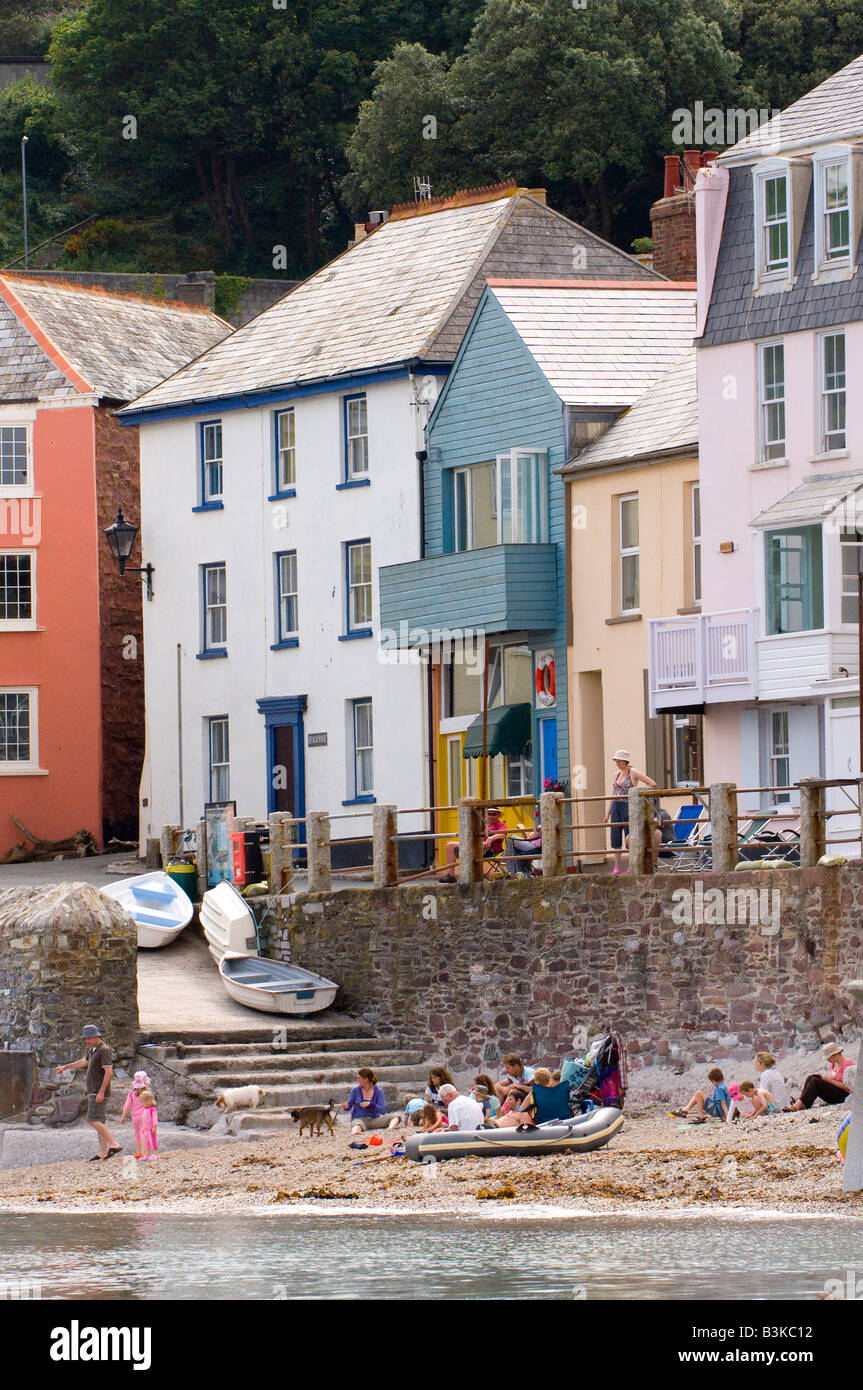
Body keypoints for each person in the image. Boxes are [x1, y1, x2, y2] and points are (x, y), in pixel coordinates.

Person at [56, 1024, 122, 1161]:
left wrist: (101, 1092)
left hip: (97, 1090)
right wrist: (66, 1067)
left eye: (89, 1038)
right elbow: (83, 1062)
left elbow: (108, 1072)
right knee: (99, 1121)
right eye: (85, 1039)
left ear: (96, 1036)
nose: (86, 1041)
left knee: (92, 1120)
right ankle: (102, 1152)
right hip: (93, 1089)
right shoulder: (93, 1049)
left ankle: (114, 1144)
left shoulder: (104, 1050)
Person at [604, 749, 656, 874]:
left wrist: (638, 795)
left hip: (628, 806)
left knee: (629, 835)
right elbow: (613, 793)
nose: (616, 762)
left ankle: (630, 864)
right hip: (616, 806)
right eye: (616, 760)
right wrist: (608, 812)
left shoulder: (633, 772)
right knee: (615, 835)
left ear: (624, 761)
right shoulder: (616, 774)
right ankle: (616, 866)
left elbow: (652, 783)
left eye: (618, 760)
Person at [440, 807, 508, 882]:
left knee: (451, 845)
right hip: (477, 845)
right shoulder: (482, 825)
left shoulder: (500, 825)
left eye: (494, 814)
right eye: (489, 814)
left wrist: (491, 838)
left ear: (498, 815)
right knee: (450, 846)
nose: (491, 816)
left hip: (488, 849)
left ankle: (456, 875)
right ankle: (451, 875)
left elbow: (502, 834)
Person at [785, 1042, 854, 1111]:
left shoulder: (847, 1063)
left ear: (834, 1055)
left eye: (828, 1058)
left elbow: (848, 1085)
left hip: (845, 1094)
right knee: (812, 1077)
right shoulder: (833, 1065)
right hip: (836, 1091)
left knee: (815, 1082)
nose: (827, 1060)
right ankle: (802, 1103)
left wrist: (829, 1080)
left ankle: (798, 1105)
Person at [342, 1068, 401, 1133]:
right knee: (357, 1125)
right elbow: (349, 1105)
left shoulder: (378, 1091)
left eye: (359, 1078)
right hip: (359, 1119)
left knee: (395, 1116)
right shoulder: (355, 1090)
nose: (357, 1080)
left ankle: (391, 1128)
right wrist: (346, 1106)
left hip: (374, 1119)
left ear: (366, 1079)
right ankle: (355, 1133)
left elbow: (383, 1110)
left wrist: (370, 1105)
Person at [121, 1070, 158, 1160]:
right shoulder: (147, 1093)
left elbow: (126, 1106)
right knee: (144, 1133)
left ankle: (138, 1152)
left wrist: (123, 1117)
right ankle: (144, 1152)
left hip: (135, 1117)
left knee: (137, 1134)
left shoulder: (131, 1094)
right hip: (145, 1117)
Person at [505, 809, 542, 877]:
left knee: (511, 838)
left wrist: (526, 833)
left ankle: (510, 867)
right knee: (514, 846)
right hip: (533, 845)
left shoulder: (541, 826)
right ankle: (523, 872)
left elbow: (530, 838)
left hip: (534, 847)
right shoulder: (541, 826)